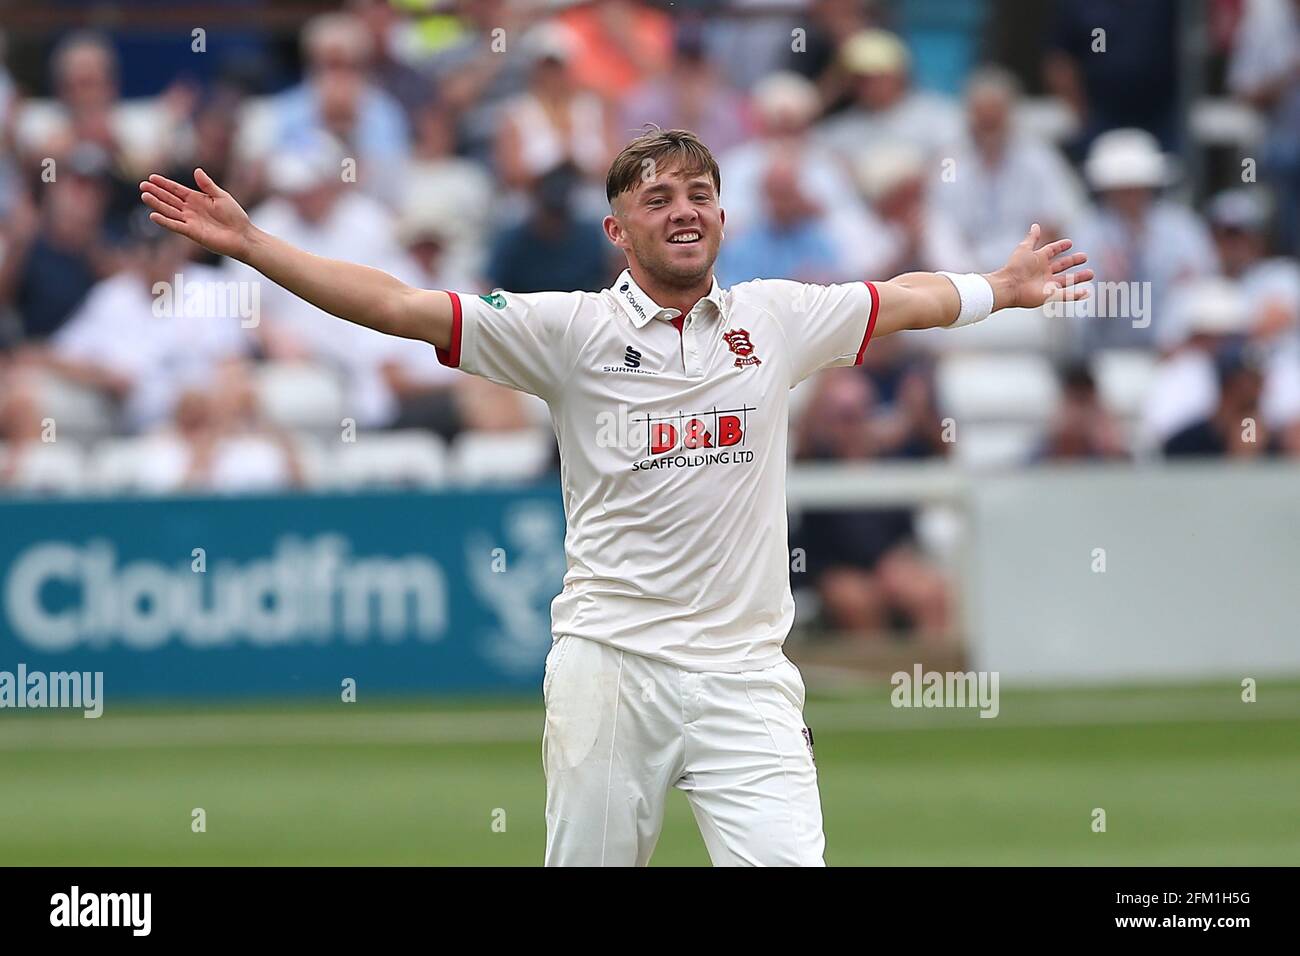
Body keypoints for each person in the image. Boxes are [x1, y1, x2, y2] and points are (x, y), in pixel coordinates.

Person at [137, 126, 1092, 867]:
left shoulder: (779, 317)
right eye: (659, 197)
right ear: (618, 227)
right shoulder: (568, 333)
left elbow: (905, 297)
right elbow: (401, 306)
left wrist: (1000, 288)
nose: (685, 210)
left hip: (745, 677)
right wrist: (257, 245)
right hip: (610, 668)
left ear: (725, 217)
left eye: (702, 195)